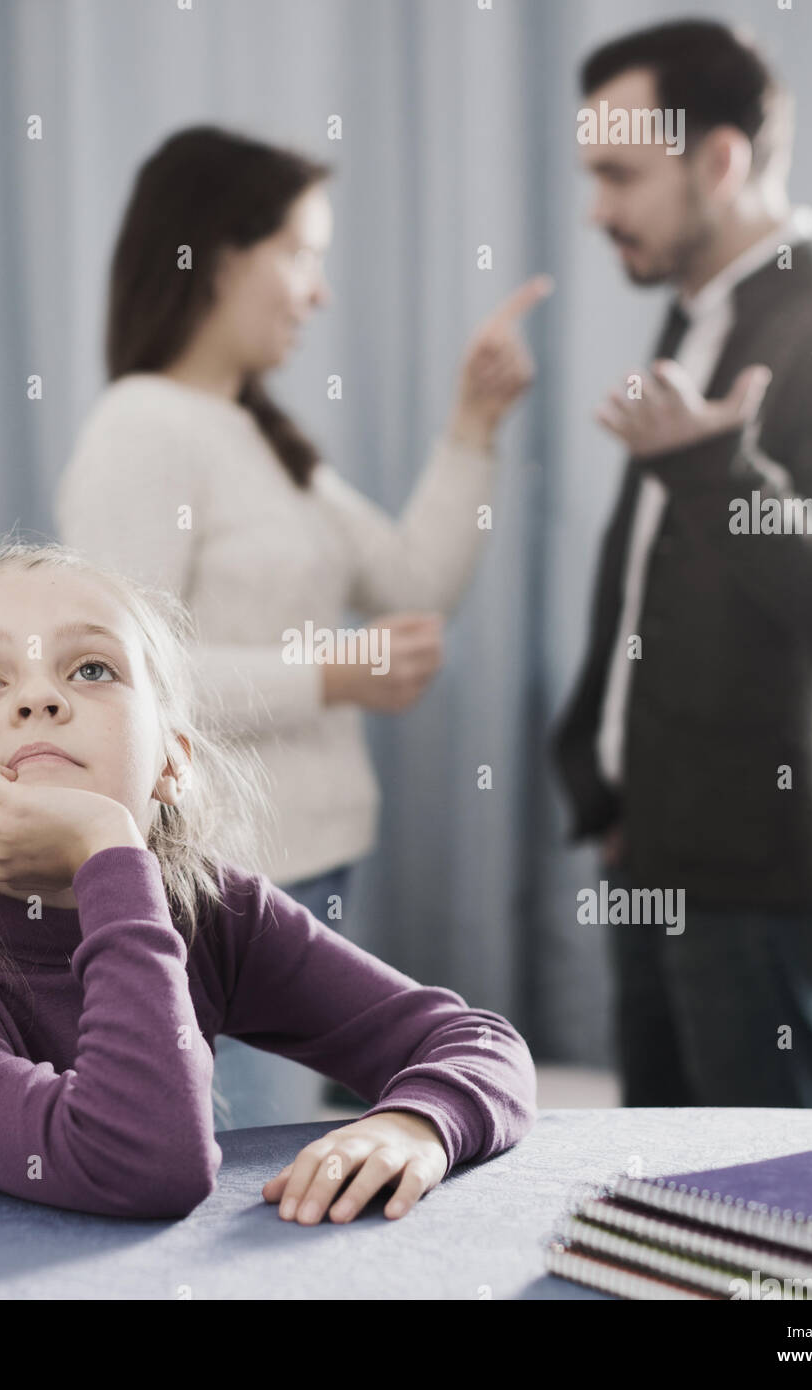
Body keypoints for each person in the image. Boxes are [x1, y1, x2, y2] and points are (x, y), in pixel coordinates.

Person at [0, 539, 538, 1224]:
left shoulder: (215, 914)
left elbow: (474, 1041)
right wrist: (107, 849)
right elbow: (144, 1162)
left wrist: (418, 1121)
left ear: (171, 764)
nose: (37, 701)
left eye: (91, 669)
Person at [54, 124, 548, 1126]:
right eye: (303, 254)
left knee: (282, 1153)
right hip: (227, 880)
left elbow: (413, 579)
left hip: (317, 861)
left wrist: (473, 427)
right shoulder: (141, 429)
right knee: (237, 1174)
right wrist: (332, 673)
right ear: (220, 254)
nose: (320, 292)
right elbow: (122, 682)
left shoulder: (265, 440)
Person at [552, 21, 812, 1107]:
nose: (598, 209)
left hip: (760, 877)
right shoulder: (696, 327)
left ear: (719, 159)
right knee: (667, 1233)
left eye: (619, 174)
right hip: (654, 853)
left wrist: (712, 464)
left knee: (781, 1239)